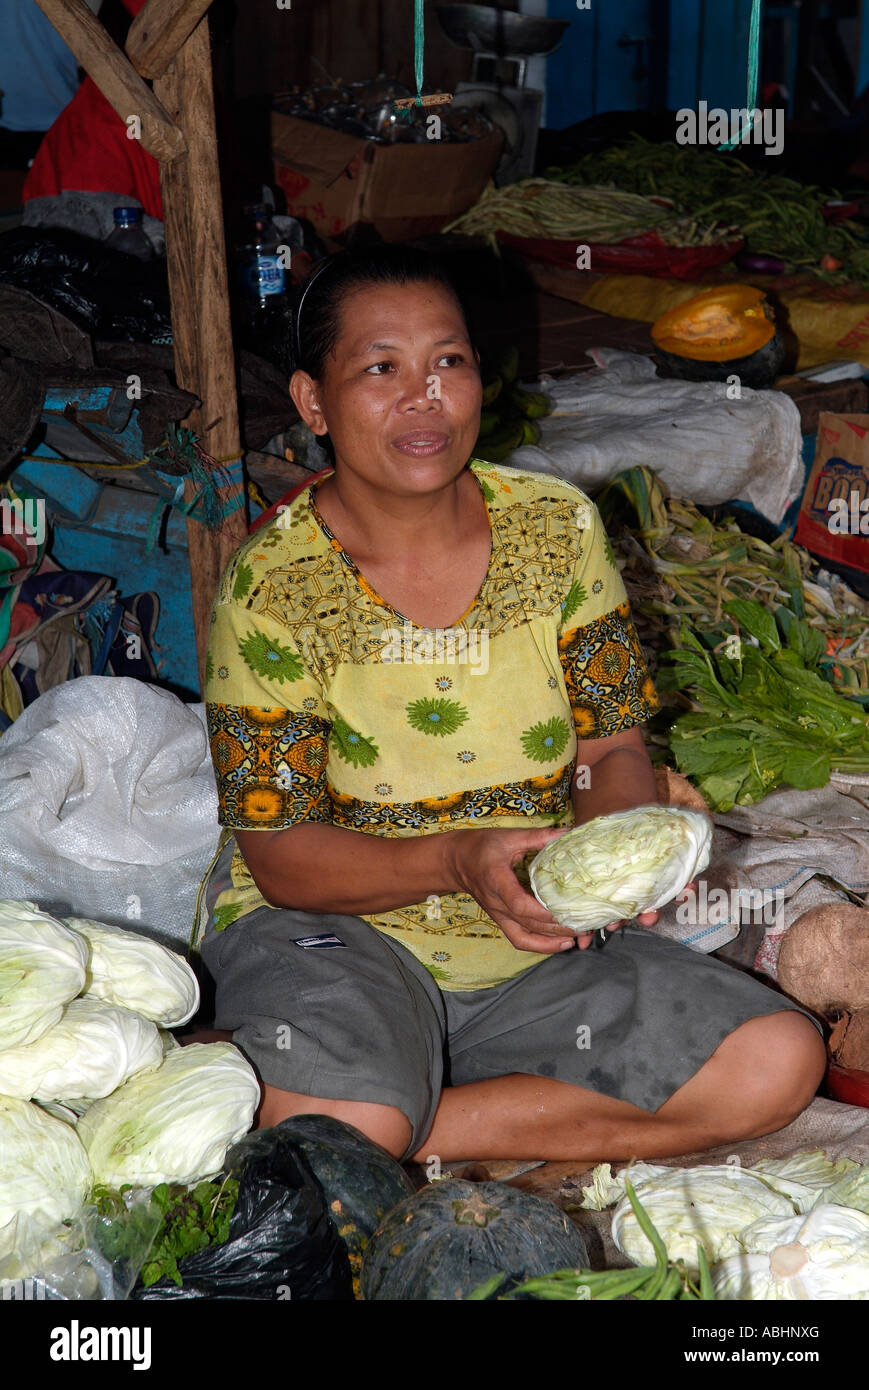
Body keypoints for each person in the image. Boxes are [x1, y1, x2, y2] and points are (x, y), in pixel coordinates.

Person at [196, 245, 825, 1163]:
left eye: (447, 362)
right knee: (346, 1123)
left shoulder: (555, 527)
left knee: (774, 1061)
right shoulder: (273, 588)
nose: (424, 398)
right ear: (312, 402)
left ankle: (395, 1126)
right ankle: (362, 1110)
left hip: (523, 932)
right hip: (335, 929)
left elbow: (610, 750)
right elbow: (285, 858)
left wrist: (602, 867)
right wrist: (460, 861)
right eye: (380, 368)